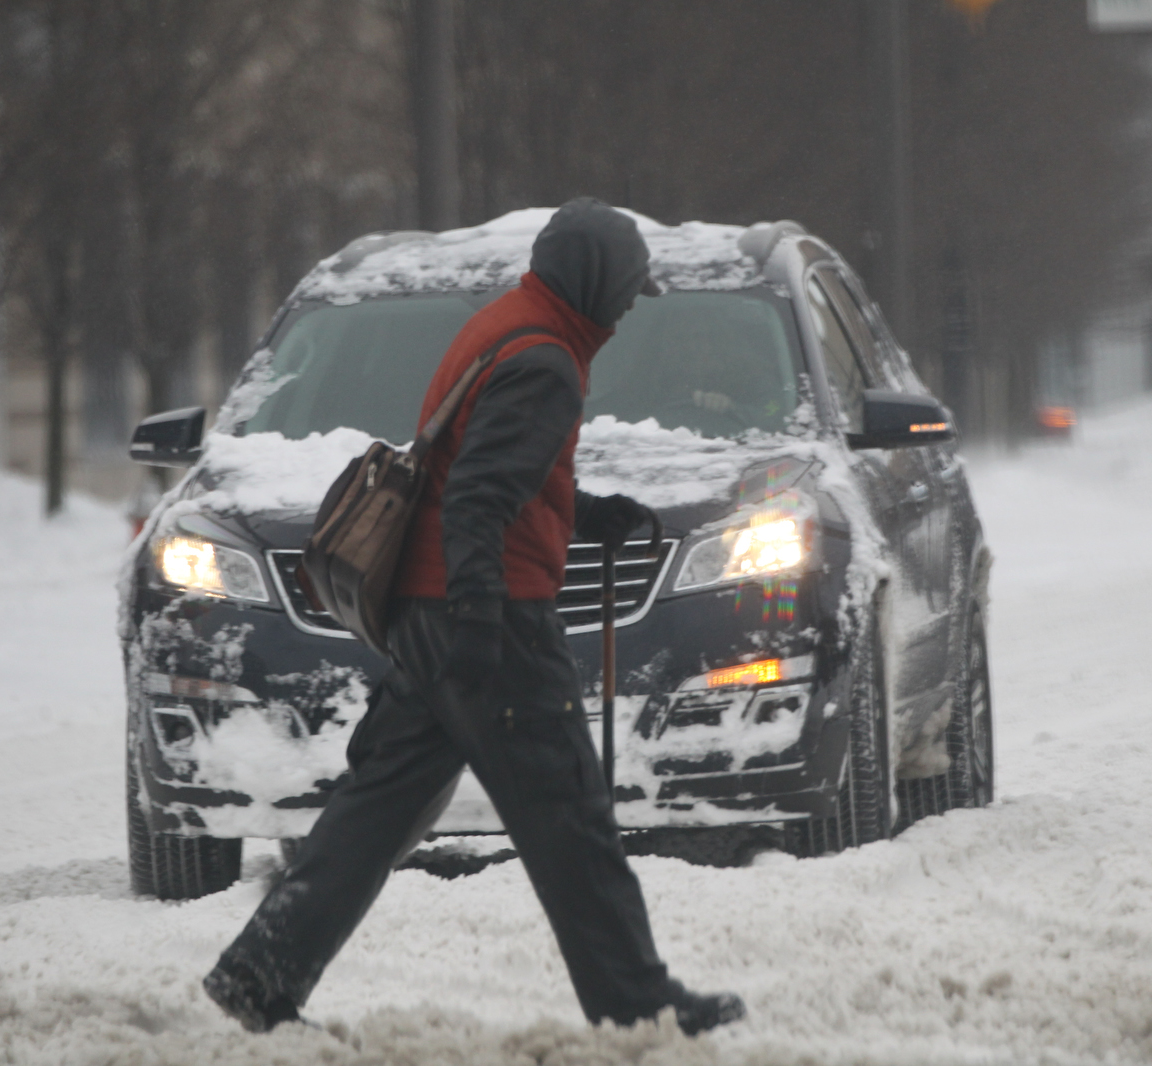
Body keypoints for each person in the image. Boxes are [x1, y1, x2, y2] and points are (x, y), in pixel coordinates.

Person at [202, 198, 746, 1037]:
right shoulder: (546, 362)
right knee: (572, 820)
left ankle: (258, 976)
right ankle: (636, 1008)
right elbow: (477, 500)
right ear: (594, 280)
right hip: (488, 622)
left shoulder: (509, 325)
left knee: (377, 810)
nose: (634, 304)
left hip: (425, 616)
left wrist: (581, 511)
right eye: (630, 287)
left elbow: (474, 471)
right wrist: (484, 626)